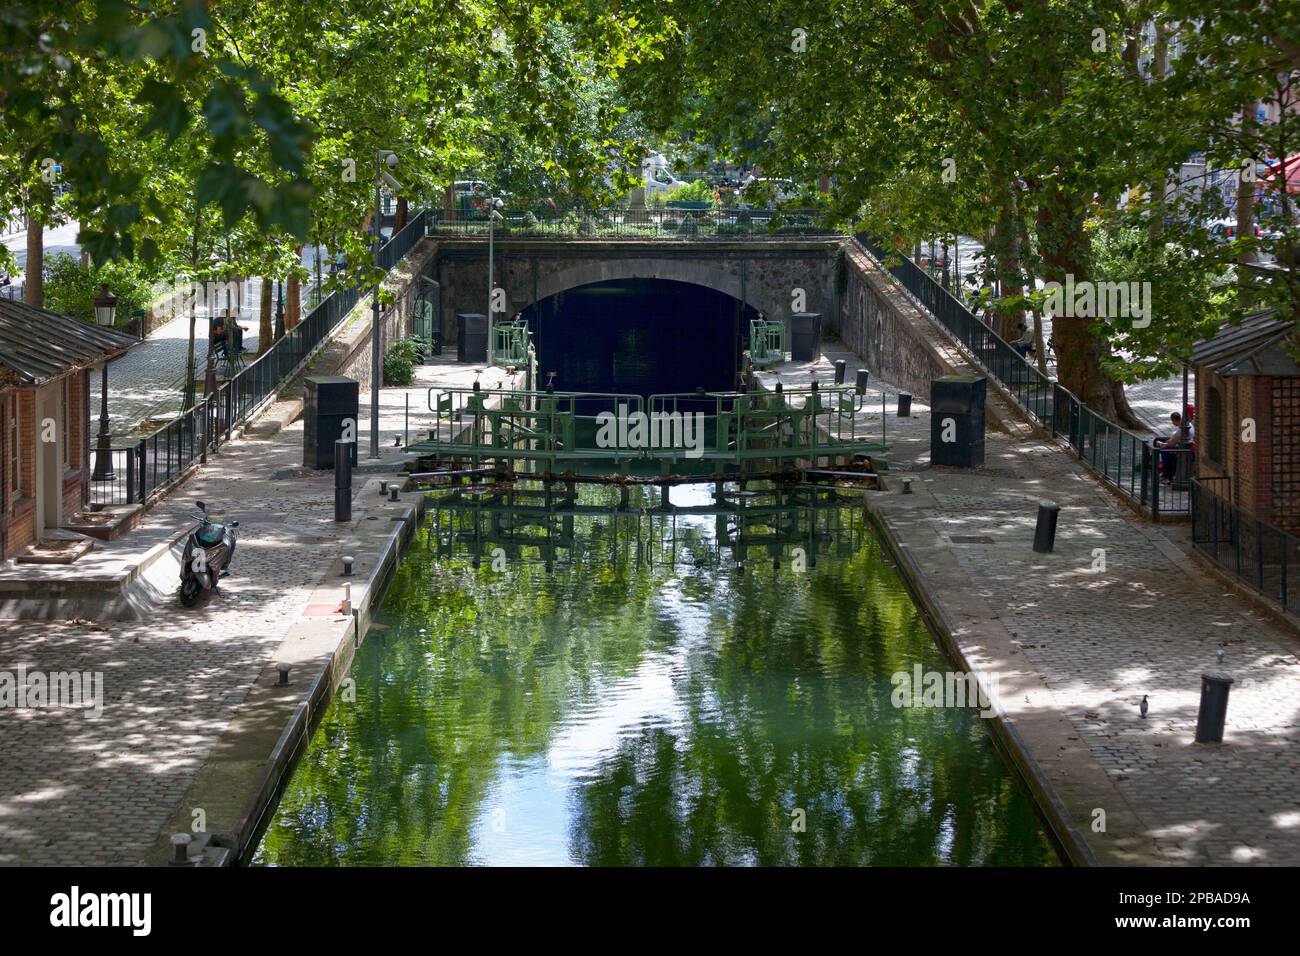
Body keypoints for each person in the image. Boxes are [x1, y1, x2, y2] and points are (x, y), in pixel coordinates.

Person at [1153, 411, 1190, 481]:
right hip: (1175, 441)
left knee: (1163, 448)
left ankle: (1164, 469)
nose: (1172, 423)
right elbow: (1173, 439)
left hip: (1178, 445)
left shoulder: (1182, 428)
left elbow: (1172, 443)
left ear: (1175, 420)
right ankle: (1156, 462)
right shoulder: (1183, 425)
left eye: (1173, 421)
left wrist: (1162, 443)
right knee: (1156, 440)